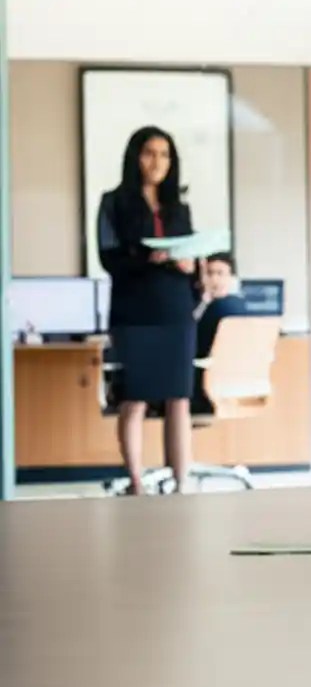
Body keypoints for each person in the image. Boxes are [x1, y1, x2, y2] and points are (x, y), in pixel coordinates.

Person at [98, 126, 199, 496]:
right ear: (135, 157)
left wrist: (190, 265)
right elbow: (108, 258)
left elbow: (190, 250)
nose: (157, 162)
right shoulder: (114, 202)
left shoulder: (179, 207)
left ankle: (181, 482)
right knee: (135, 396)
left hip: (176, 308)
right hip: (135, 310)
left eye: (165, 154)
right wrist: (148, 258)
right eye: (149, 153)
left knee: (178, 397)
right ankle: (136, 483)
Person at [194, 251, 248, 359]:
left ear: (232, 278)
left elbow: (195, 347)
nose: (214, 279)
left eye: (220, 273)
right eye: (209, 273)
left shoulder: (221, 307)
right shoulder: (241, 305)